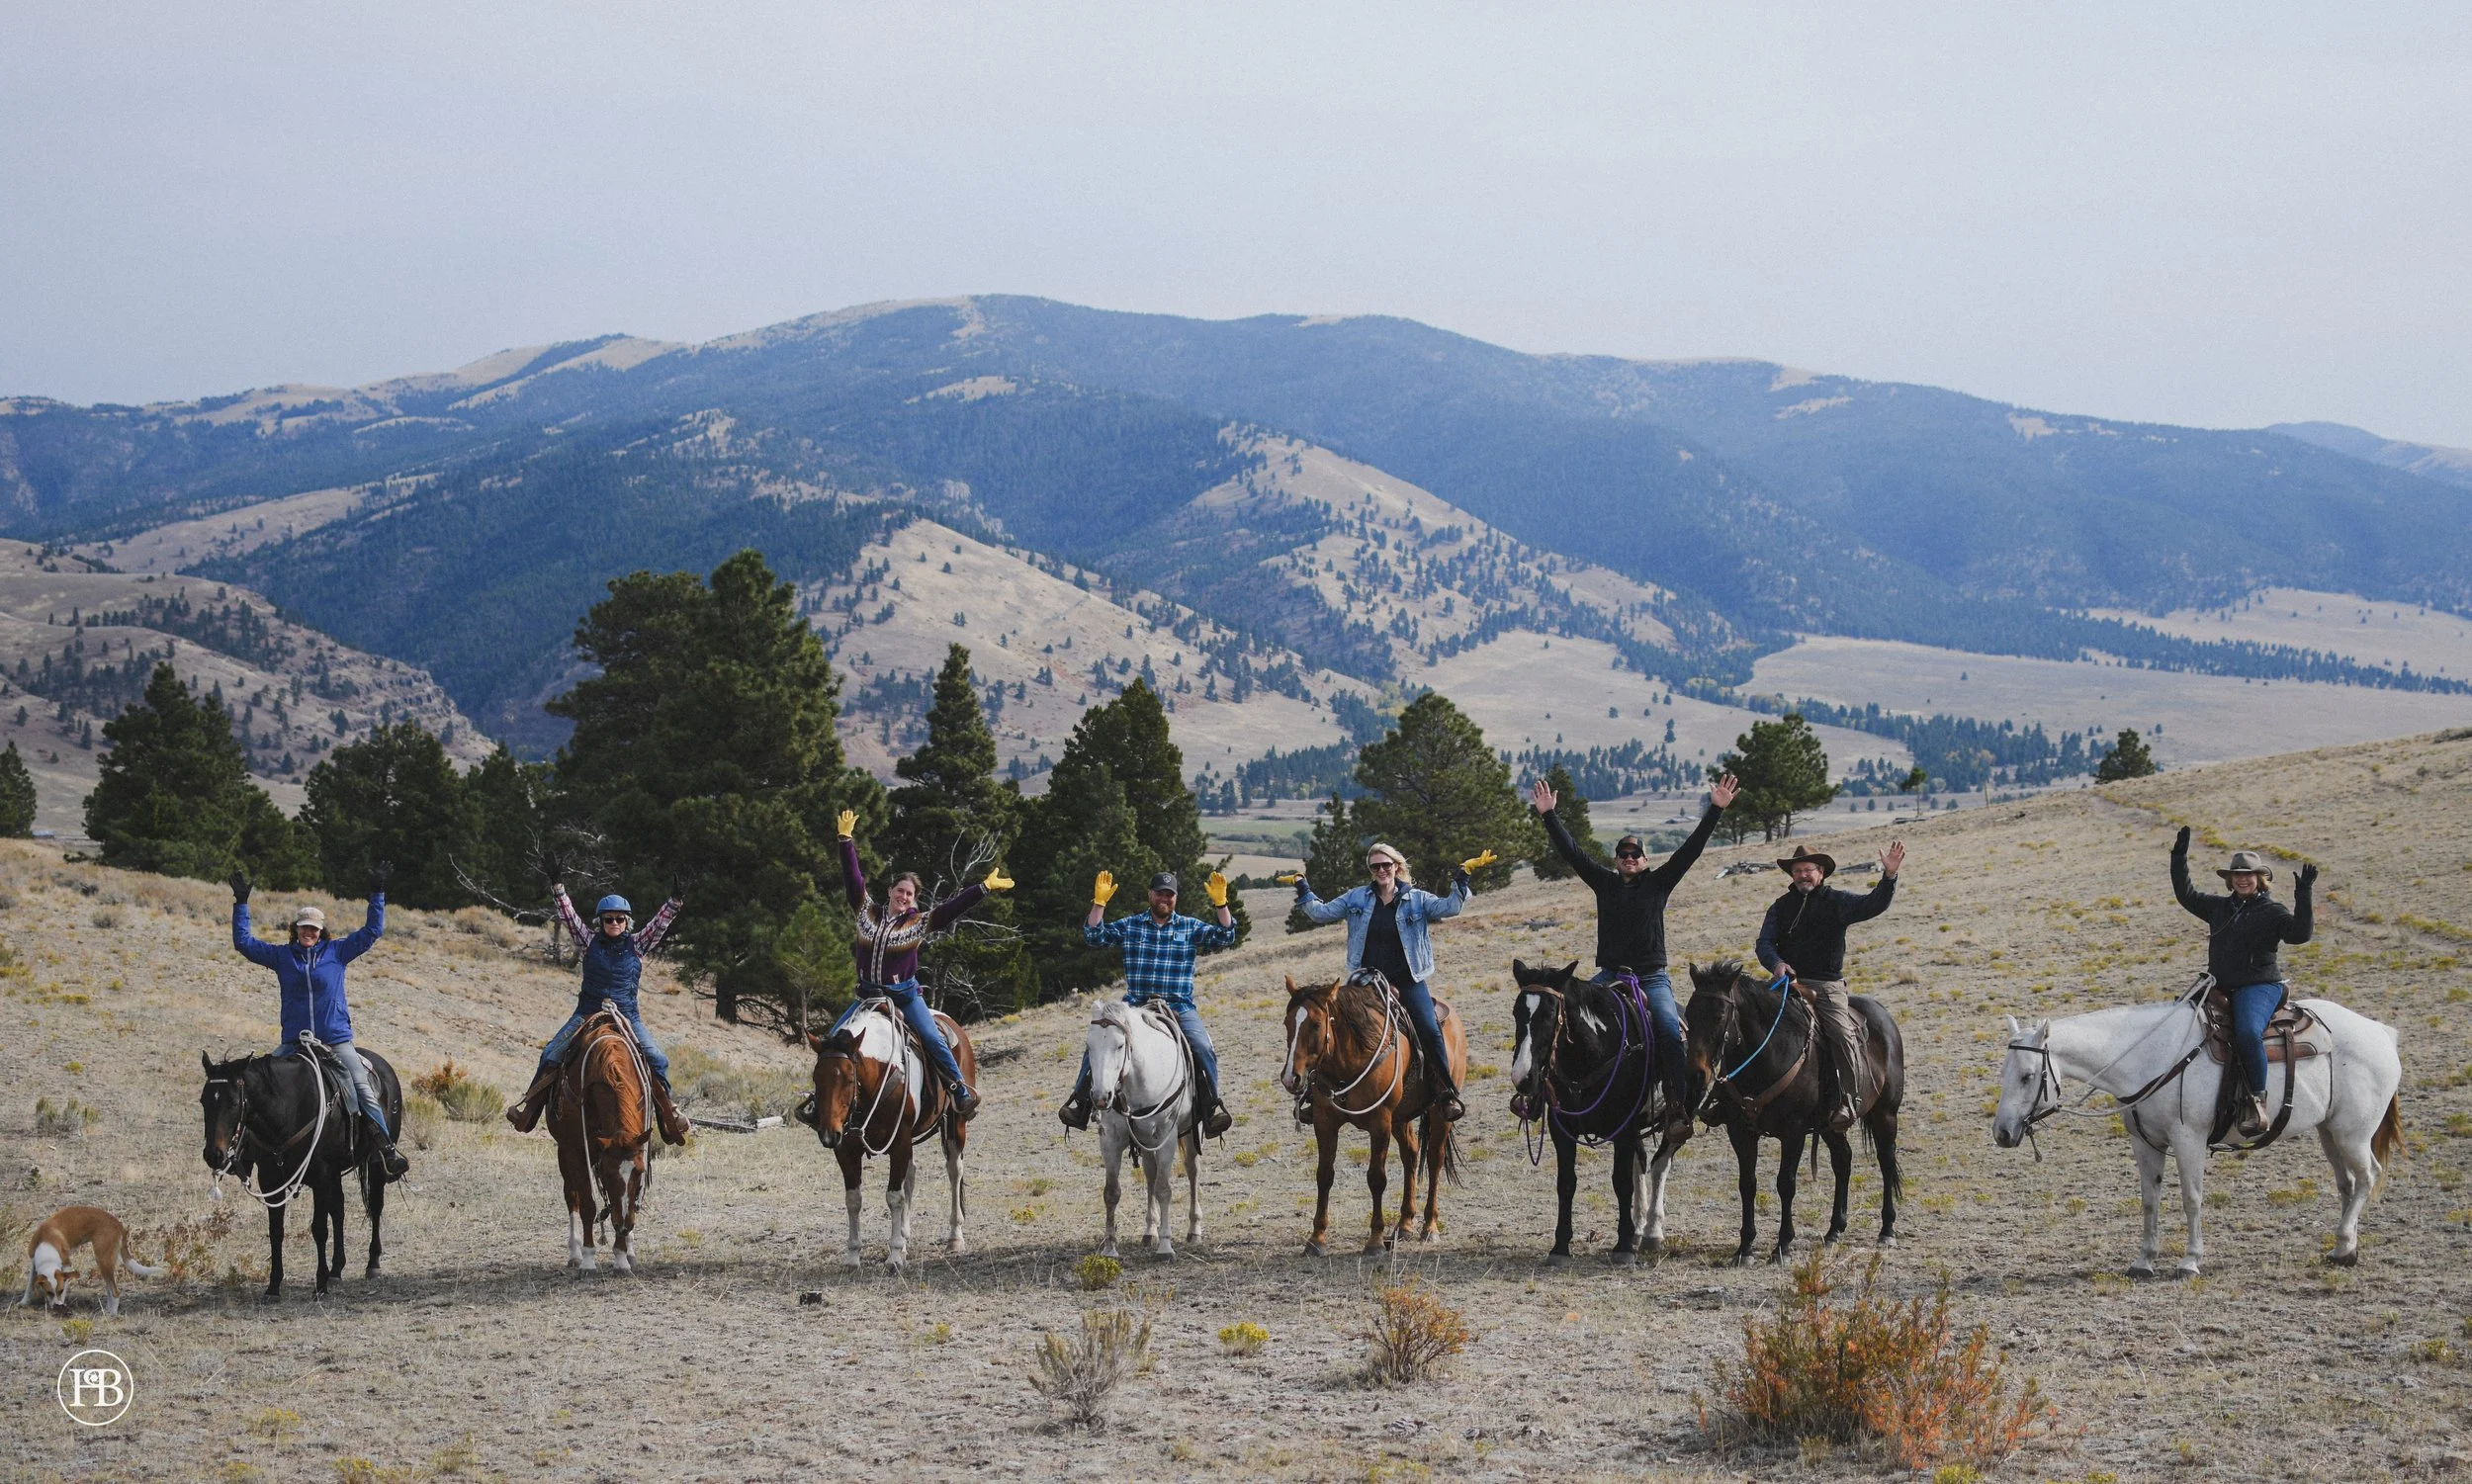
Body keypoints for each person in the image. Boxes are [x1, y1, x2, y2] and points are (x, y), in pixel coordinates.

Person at [1530, 772, 1740, 1136]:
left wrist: (1715, 811)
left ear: (1645, 860)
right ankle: (1538, 1096)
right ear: (1616, 859)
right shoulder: (1604, 883)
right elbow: (1573, 854)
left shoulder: (1660, 883)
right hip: (1608, 975)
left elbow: (1690, 850)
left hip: (1651, 977)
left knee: (1669, 1032)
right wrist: (1549, 816)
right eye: (1623, 854)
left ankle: (1676, 1107)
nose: (1629, 858)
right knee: (1559, 1013)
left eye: (1636, 854)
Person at [820, 810, 1011, 1121]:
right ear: (890, 892)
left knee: (933, 1038)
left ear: (914, 899)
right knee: (832, 1040)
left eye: (909, 894)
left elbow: (952, 908)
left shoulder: (919, 923)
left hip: (904, 996)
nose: (904, 897)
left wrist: (983, 888)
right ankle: (820, 1104)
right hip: (867, 996)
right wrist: (845, 841)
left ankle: (960, 1091)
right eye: (899, 891)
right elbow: (853, 879)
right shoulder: (866, 912)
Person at [227, 863, 408, 1178]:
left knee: (362, 1087)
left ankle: (385, 1149)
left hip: (335, 1040)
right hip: (294, 1043)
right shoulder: (282, 956)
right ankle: (241, 1153)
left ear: (321, 931)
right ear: (295, 929)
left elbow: (372, 932)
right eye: (303, 927)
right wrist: (241, 903)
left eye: (313, 928)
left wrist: (377, 893)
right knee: (255, 1084)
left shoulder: (338, 952)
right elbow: (244, 943)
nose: (308, 933)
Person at [1293, 842, 1494, 1123]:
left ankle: (1445, 1091)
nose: (1381, 870)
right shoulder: (1356, 898)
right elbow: (1320, 913)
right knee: (1329, 1022)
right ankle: (1314, 1096)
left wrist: (1463, 876)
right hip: (1366, 981)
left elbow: (1450, 908)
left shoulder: (1417, 899)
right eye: (1375, 866)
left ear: (1396, 866)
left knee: (1428, 1028)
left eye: (1386, 865)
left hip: (1408, 979)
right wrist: (1303, 888)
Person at [506, 883, 694, 1143]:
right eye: (609, 919)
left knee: (658, 1059)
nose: (614, 923)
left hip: (627, 1016)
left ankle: (668, 1115)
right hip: (587, 1012)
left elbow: (659, 924)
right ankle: (529, 1110)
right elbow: (569, 916)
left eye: (619, 918)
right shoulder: (588, 940)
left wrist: (675, 900)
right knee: (551, 1052)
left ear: (627, 921)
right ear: (601, 921)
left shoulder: (638, 944)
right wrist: (558, 887)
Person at [1060, 870, 1239, 1136]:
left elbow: (1225, 936)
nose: (1164, 898)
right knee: (1100, 1041)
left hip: (1178, 1005)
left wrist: (1221, 905)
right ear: (1150, 895)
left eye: (1169, 894)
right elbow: (1094, 937)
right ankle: (1082, 1102)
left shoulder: (1189, 926)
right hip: (1136, 1005)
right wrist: (1099, 904)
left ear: (1176, 897)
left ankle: (1210, 1107)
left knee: (1202, 1047)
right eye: (1159, 893)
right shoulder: (1132, 925)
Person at [2170, 829, 2316, 1137]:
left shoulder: (2273, 912)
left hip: (2259, 986)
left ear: (2259, 879)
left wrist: (2303, 897)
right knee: (2176, 1019)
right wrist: (2179, 856)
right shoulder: (2219, 907)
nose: (2242, 879)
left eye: (2248, 875)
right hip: (2219, 985)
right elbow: (2185, 894)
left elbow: (2299, 936)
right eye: (2237, 875)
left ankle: (2256, 1100)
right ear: (2230, 879)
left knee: (2249, 1032)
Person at [1754, 839, 1905, 1132]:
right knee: (1747, 1020)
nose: (1802, 875)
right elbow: (1764, 943)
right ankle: (1731, 1094)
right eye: (1797, 871)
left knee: (1842, 1034)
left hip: (1827, 986)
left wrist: (1889, 877)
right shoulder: (1780, 907)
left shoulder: (1838, 902)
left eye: (1808, 870)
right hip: (1787, 983)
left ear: (1821, 873)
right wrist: (1776, 964)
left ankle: (1849, 1099)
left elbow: (1875, 904)